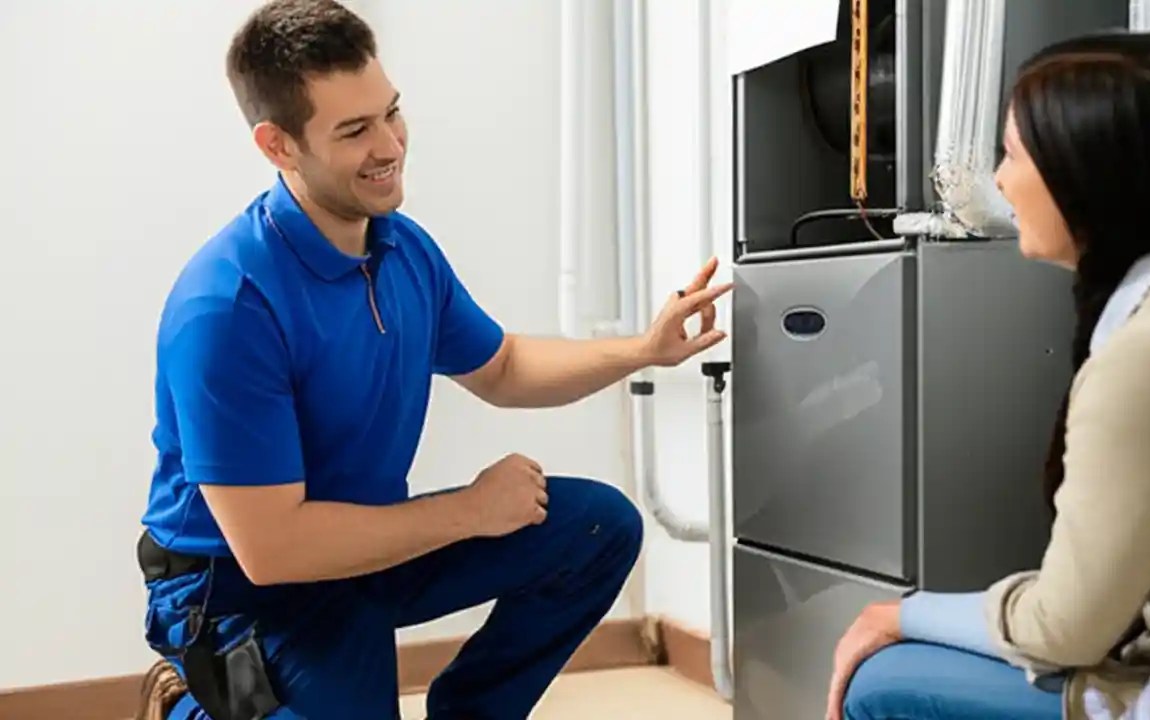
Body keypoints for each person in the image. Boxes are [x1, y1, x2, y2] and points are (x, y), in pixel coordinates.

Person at [134, 1, 731, 718]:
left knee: (597, 528)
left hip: (365, 546)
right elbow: (274, 549)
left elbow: (503, 366)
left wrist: (643, 348)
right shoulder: (228, 305)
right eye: (354, 130)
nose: (390, 144)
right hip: (239, 589)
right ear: (278, 146)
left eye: (391, 112)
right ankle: (191, 703)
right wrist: (469, 511)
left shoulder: (403, 250)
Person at [825, 30, 1150, 720]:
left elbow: (1066, 630)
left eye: (1012, 154)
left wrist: (902, 613)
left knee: (881, 681)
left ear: (1089, 172)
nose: (998, 180)